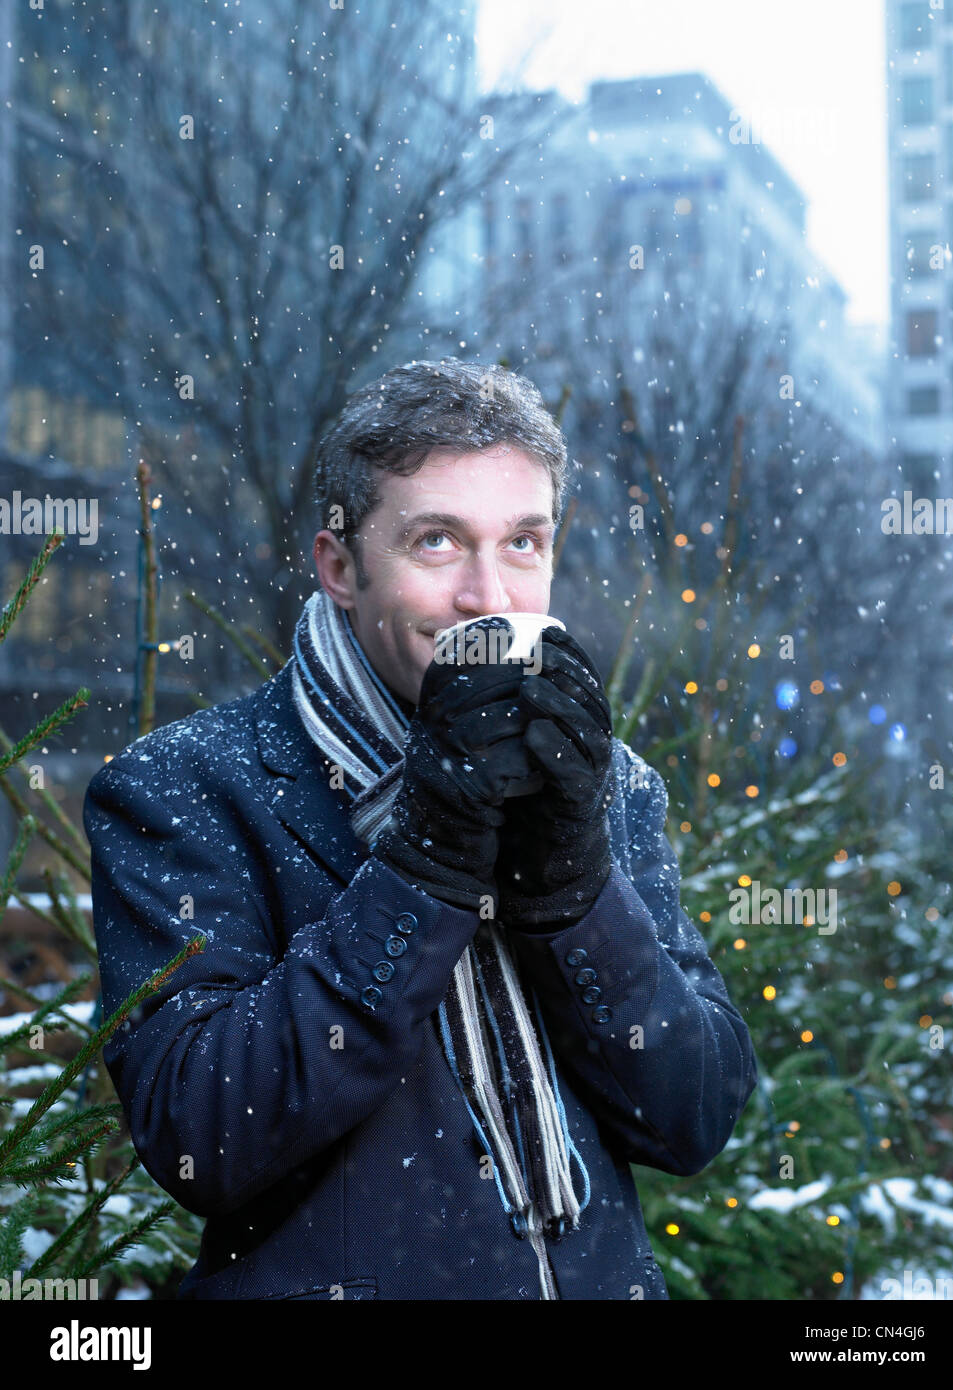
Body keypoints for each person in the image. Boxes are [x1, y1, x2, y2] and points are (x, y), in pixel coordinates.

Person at [84, 357, 758, 1301]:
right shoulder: (187, 785)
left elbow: (692, 1117)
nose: (488, 598)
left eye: (523, 543)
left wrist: (571, 889)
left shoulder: (602, 785)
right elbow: (202, 1141)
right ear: (340, 568)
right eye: (438, 542)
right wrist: (426, 863)